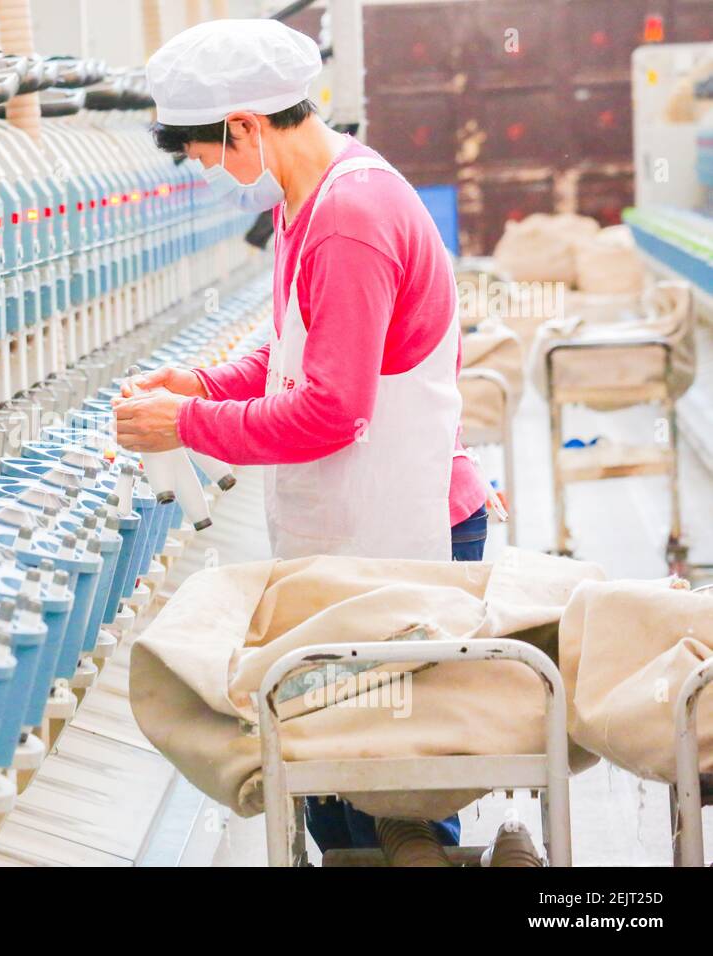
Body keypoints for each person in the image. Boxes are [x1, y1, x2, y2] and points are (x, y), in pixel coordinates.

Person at [115, 18, 491, 857]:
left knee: (395, 803)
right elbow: (293, 345)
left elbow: (331, 410)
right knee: (338, 791)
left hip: (411, 532)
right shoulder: (311, 196)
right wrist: (206, 384)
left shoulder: (349, 218)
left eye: (210, 156)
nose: (213, 174)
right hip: (364, 536)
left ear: (245, 127)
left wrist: (187, 425)